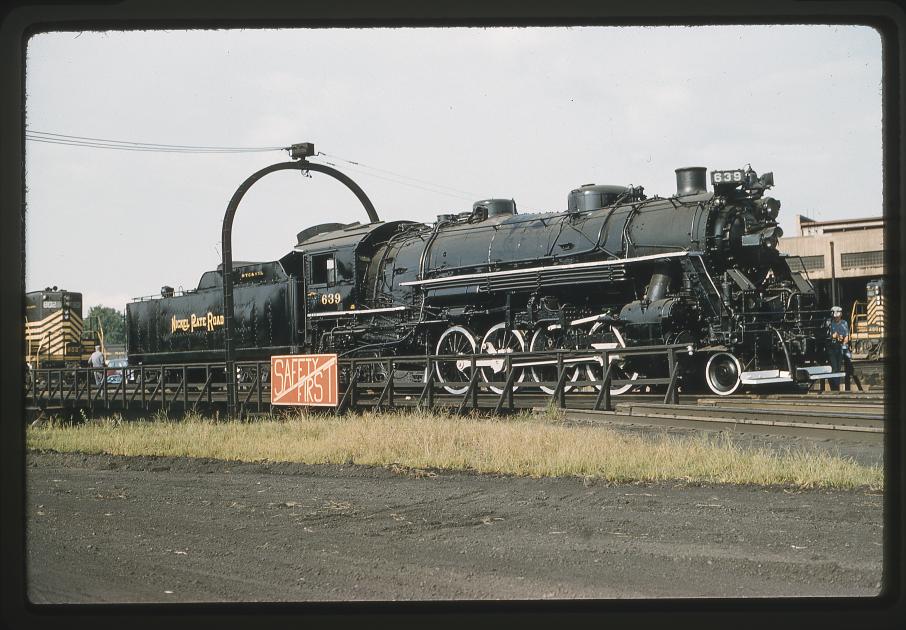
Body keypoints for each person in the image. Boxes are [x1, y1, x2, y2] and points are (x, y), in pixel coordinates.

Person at [827, 305, 849, 392]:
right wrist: (833, 336)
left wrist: (844, 342)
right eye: (835, 316)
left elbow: (847, 335)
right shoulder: (829, 324)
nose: (837, 318)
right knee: (835, 367)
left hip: (840, 347)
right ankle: (834, 386)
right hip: (832, 347)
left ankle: (837, 385)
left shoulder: (844, 323)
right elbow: (827, 336)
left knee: (839, 367)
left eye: (838, 316)